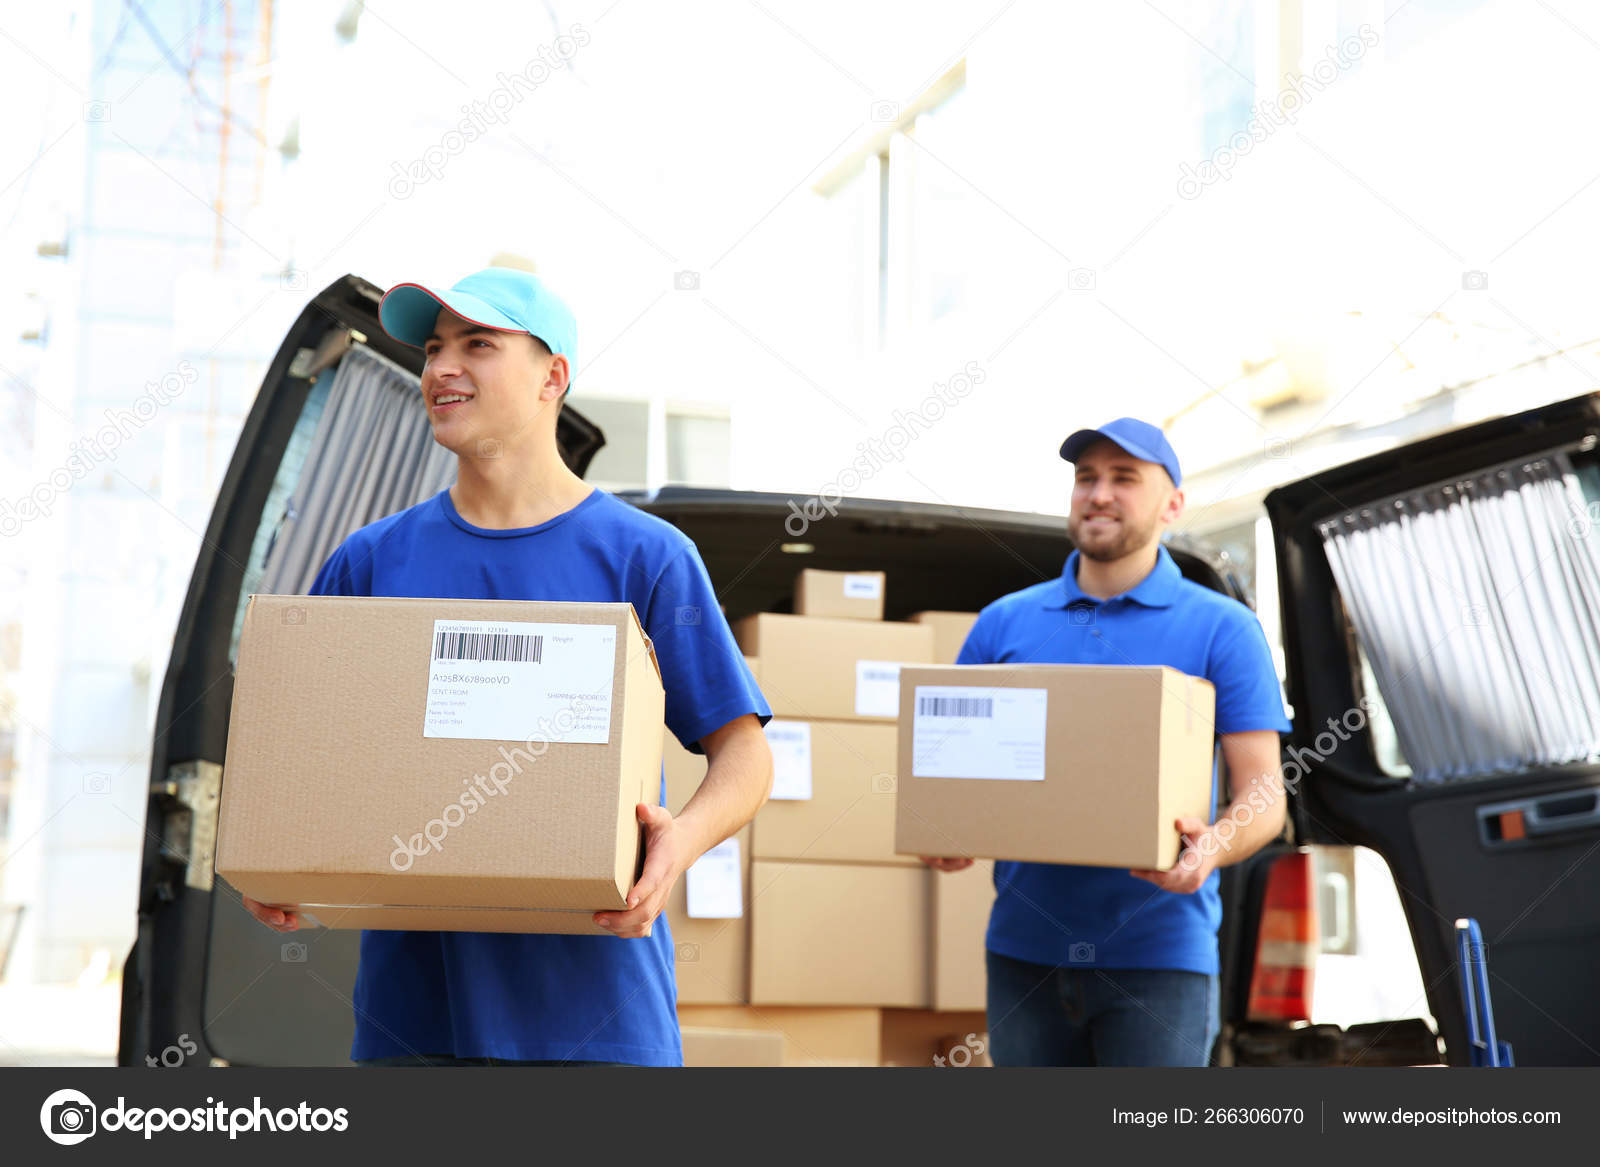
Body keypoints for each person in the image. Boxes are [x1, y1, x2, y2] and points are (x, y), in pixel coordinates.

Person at [240, 266, 774, 1067]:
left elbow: (745, 752)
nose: (441, 368)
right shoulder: (372, 559)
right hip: (412, 1026)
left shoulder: (647, 557)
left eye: (478, 344)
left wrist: (681, 843)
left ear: (552, 376)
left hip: (596, 1023)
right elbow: (305, 747)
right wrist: (275, 851)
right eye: (432, 349)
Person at [923, 417, 1291, 1067]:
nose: (1098, 493)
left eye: (1125, 478)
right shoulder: (1004, 623)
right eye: (1086, 477)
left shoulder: (1223, 629)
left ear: (1172, 504)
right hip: (1023, 953)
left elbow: (1264, 792)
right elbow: (957, 775)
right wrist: (944, 831)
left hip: (1160, 957)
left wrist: (1214, 846)